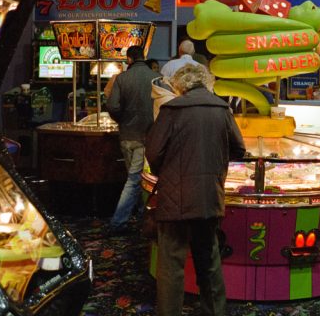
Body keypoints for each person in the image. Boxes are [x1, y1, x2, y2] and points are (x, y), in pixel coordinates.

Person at [145, 64, 246, 316]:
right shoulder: (222, 109)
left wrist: (167, 171)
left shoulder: (171, 110)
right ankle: (215, 311)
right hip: (209, 196)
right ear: (206, 82)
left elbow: (153, 152)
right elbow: (239, 149)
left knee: (171, 264)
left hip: (174, 199)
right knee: (209, 259)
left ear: (180, 86)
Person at [105, 45, 160, 235]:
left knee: (133, 179)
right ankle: (129, 219)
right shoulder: (156, 78)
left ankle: (119, 222)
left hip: (126, 136)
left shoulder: (122, 78)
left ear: (129, 59)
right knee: (135, 180)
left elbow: (112, 106)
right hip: (147, 136)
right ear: (143, 57)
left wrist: (122, 119)